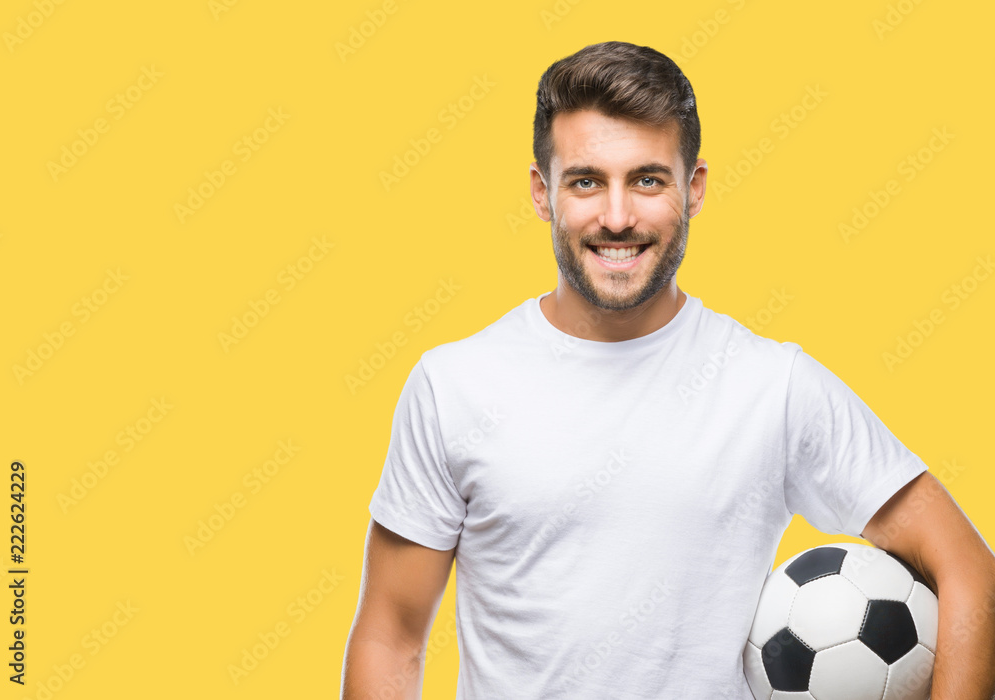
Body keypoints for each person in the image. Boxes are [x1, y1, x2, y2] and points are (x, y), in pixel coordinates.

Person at [341, 41, 995, 699]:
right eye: (587, 181)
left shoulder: (773, 386)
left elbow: (970, 572)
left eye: (648, 179)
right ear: (543, 193)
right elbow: (391, 632)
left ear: (694, 188)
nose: (617, 217)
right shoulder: (453, 385)